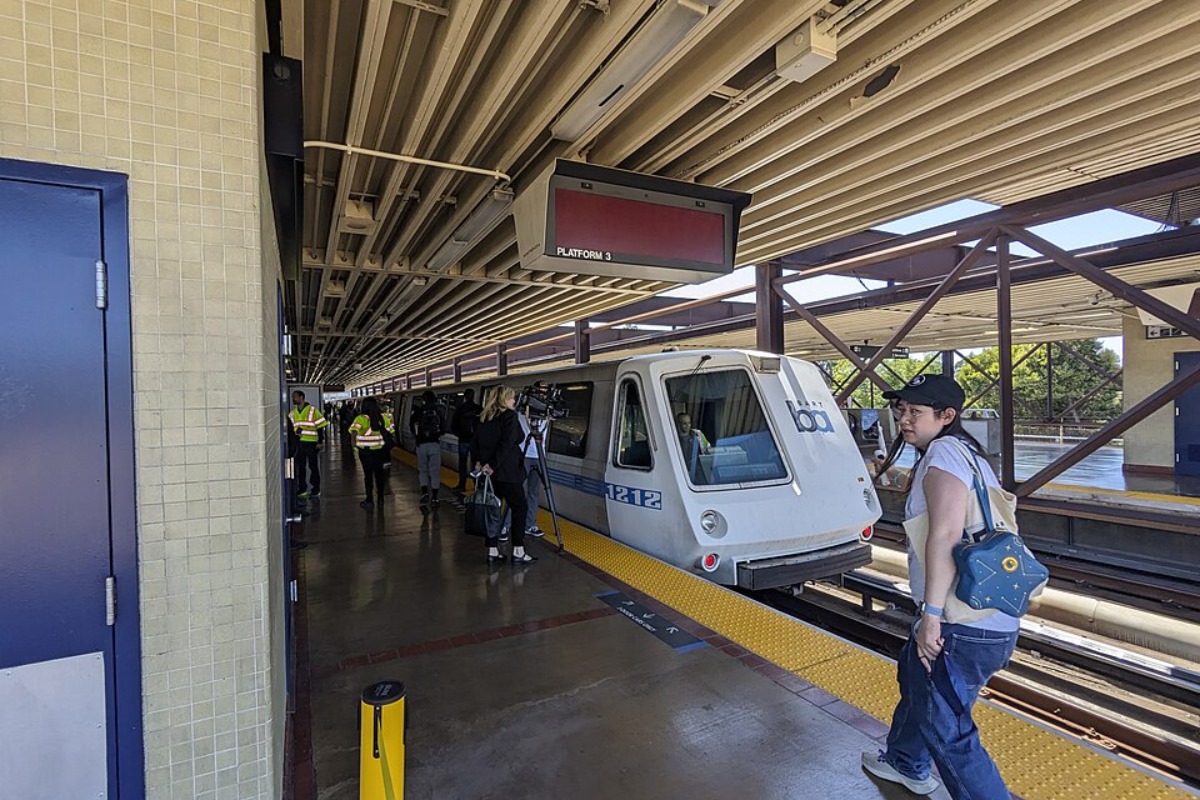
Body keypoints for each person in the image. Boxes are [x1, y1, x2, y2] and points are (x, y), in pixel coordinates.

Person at [862, 374, 1018, 799]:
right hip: (988, 613)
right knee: (916, 678)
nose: (904, 420)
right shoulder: (968, 455)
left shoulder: (945, 453)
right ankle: (904, 761)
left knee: (950, 732)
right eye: (901, 411)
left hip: (959, 620)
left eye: (915, 412)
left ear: (947, 416)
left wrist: (931, 617)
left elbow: (945, 535)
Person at [471, 385, 535, 565]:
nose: (514, 401)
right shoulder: (509, 416)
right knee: (520, 507)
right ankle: (518, 550)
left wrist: (479, 463)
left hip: (487, 473)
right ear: (504, 399)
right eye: (512, 398)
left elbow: (474, 443)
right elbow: (508, 443)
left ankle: (492, 550)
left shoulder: (483, 417)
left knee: (493, 509)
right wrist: (492, 465)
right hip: (507, 471)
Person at [348, 397, 389, 509]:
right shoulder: (383, 418)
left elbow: (353, 434)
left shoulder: (360, 419)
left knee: (368, 476)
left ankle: (369, 500)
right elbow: (390, 432)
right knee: (379, 475)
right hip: (380, 451)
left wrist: (355, 446)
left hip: (365, 452)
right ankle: (381, 498)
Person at [410, 390, 445, 512]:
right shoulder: (439, 411)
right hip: (434, 444)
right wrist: (436, 435)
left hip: (421, 445)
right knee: (435, 472)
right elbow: (444, 428)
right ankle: (435, 497)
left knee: (423, 470)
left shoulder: (419, 411)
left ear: (424, 399)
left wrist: (418, 436)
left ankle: (425, 493)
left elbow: (411, 425)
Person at [290, 390, 329, 498]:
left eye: (295, 397)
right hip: (300, 443)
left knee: (313, 467)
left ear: (302, 397)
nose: (293, 399)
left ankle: (316, 489)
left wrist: (320, 441)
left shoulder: (312, 410)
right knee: (301, 467)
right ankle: (302, 489)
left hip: (312, 443)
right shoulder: (293, 412)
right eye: (293, 397)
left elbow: (321, 426)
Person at [450, 388, 482, 491]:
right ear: (473, 396)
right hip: (475, 441)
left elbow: (453, 425)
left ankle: (462, 484)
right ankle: (476, 484)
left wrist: (459, 434)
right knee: (475, 463)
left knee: (462, 463)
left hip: (463, 440)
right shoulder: (479, 409)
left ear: (465, 396)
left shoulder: (460, 409)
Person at [676, 412, 711, 481]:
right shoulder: (673, 437)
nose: (688, 425)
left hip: (696, 471)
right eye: (684, 423)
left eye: (689, 423)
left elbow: (707, 451)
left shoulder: (698, 435)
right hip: (680, 472)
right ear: (678, 424)